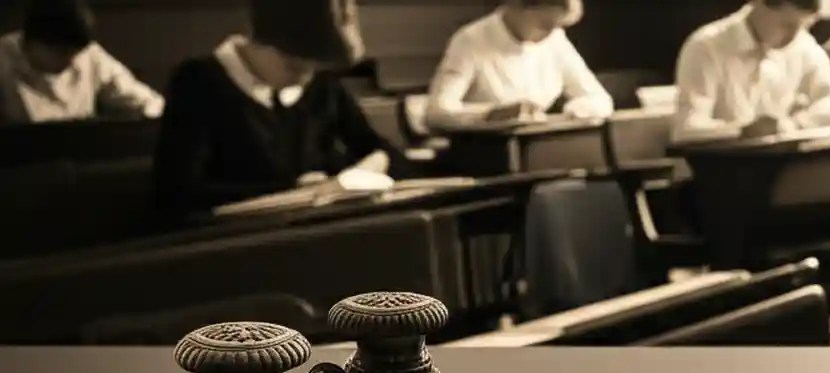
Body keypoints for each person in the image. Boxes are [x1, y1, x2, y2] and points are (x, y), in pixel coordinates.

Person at [152, 0, 397, 218]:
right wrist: (292, 189)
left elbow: (378, 148)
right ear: (260, 42)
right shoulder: (198, 82)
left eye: (313, 68)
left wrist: (374, 163)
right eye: (293, 67)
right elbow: (177, 194)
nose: (305, 79)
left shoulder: (322, 83)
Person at [670, 0, 830, 145]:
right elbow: (686, 130)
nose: (793, 37)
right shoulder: (707, 46)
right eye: (786, 25)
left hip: (779, 170)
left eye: (804, 26)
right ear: (758, 5)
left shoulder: (802, 46)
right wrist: (742, 131)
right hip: (720, 171)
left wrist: (792, 125)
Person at [422, 0, 613, 129]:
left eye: (558, 26)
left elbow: (599, 98)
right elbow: (437, 112)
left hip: (537, 148)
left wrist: (575, 112)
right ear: (519, 8)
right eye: (545, 25)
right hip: (484, 152)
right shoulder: (471, 40)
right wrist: (492, 115)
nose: (552, 33)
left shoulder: (555, 40)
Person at [0, 0, 163, 126]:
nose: (71, 62)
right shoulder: (3, 60)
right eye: (61, 52)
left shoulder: (89, 55)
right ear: (31, 42)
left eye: (75, 53)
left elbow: (145, 101)